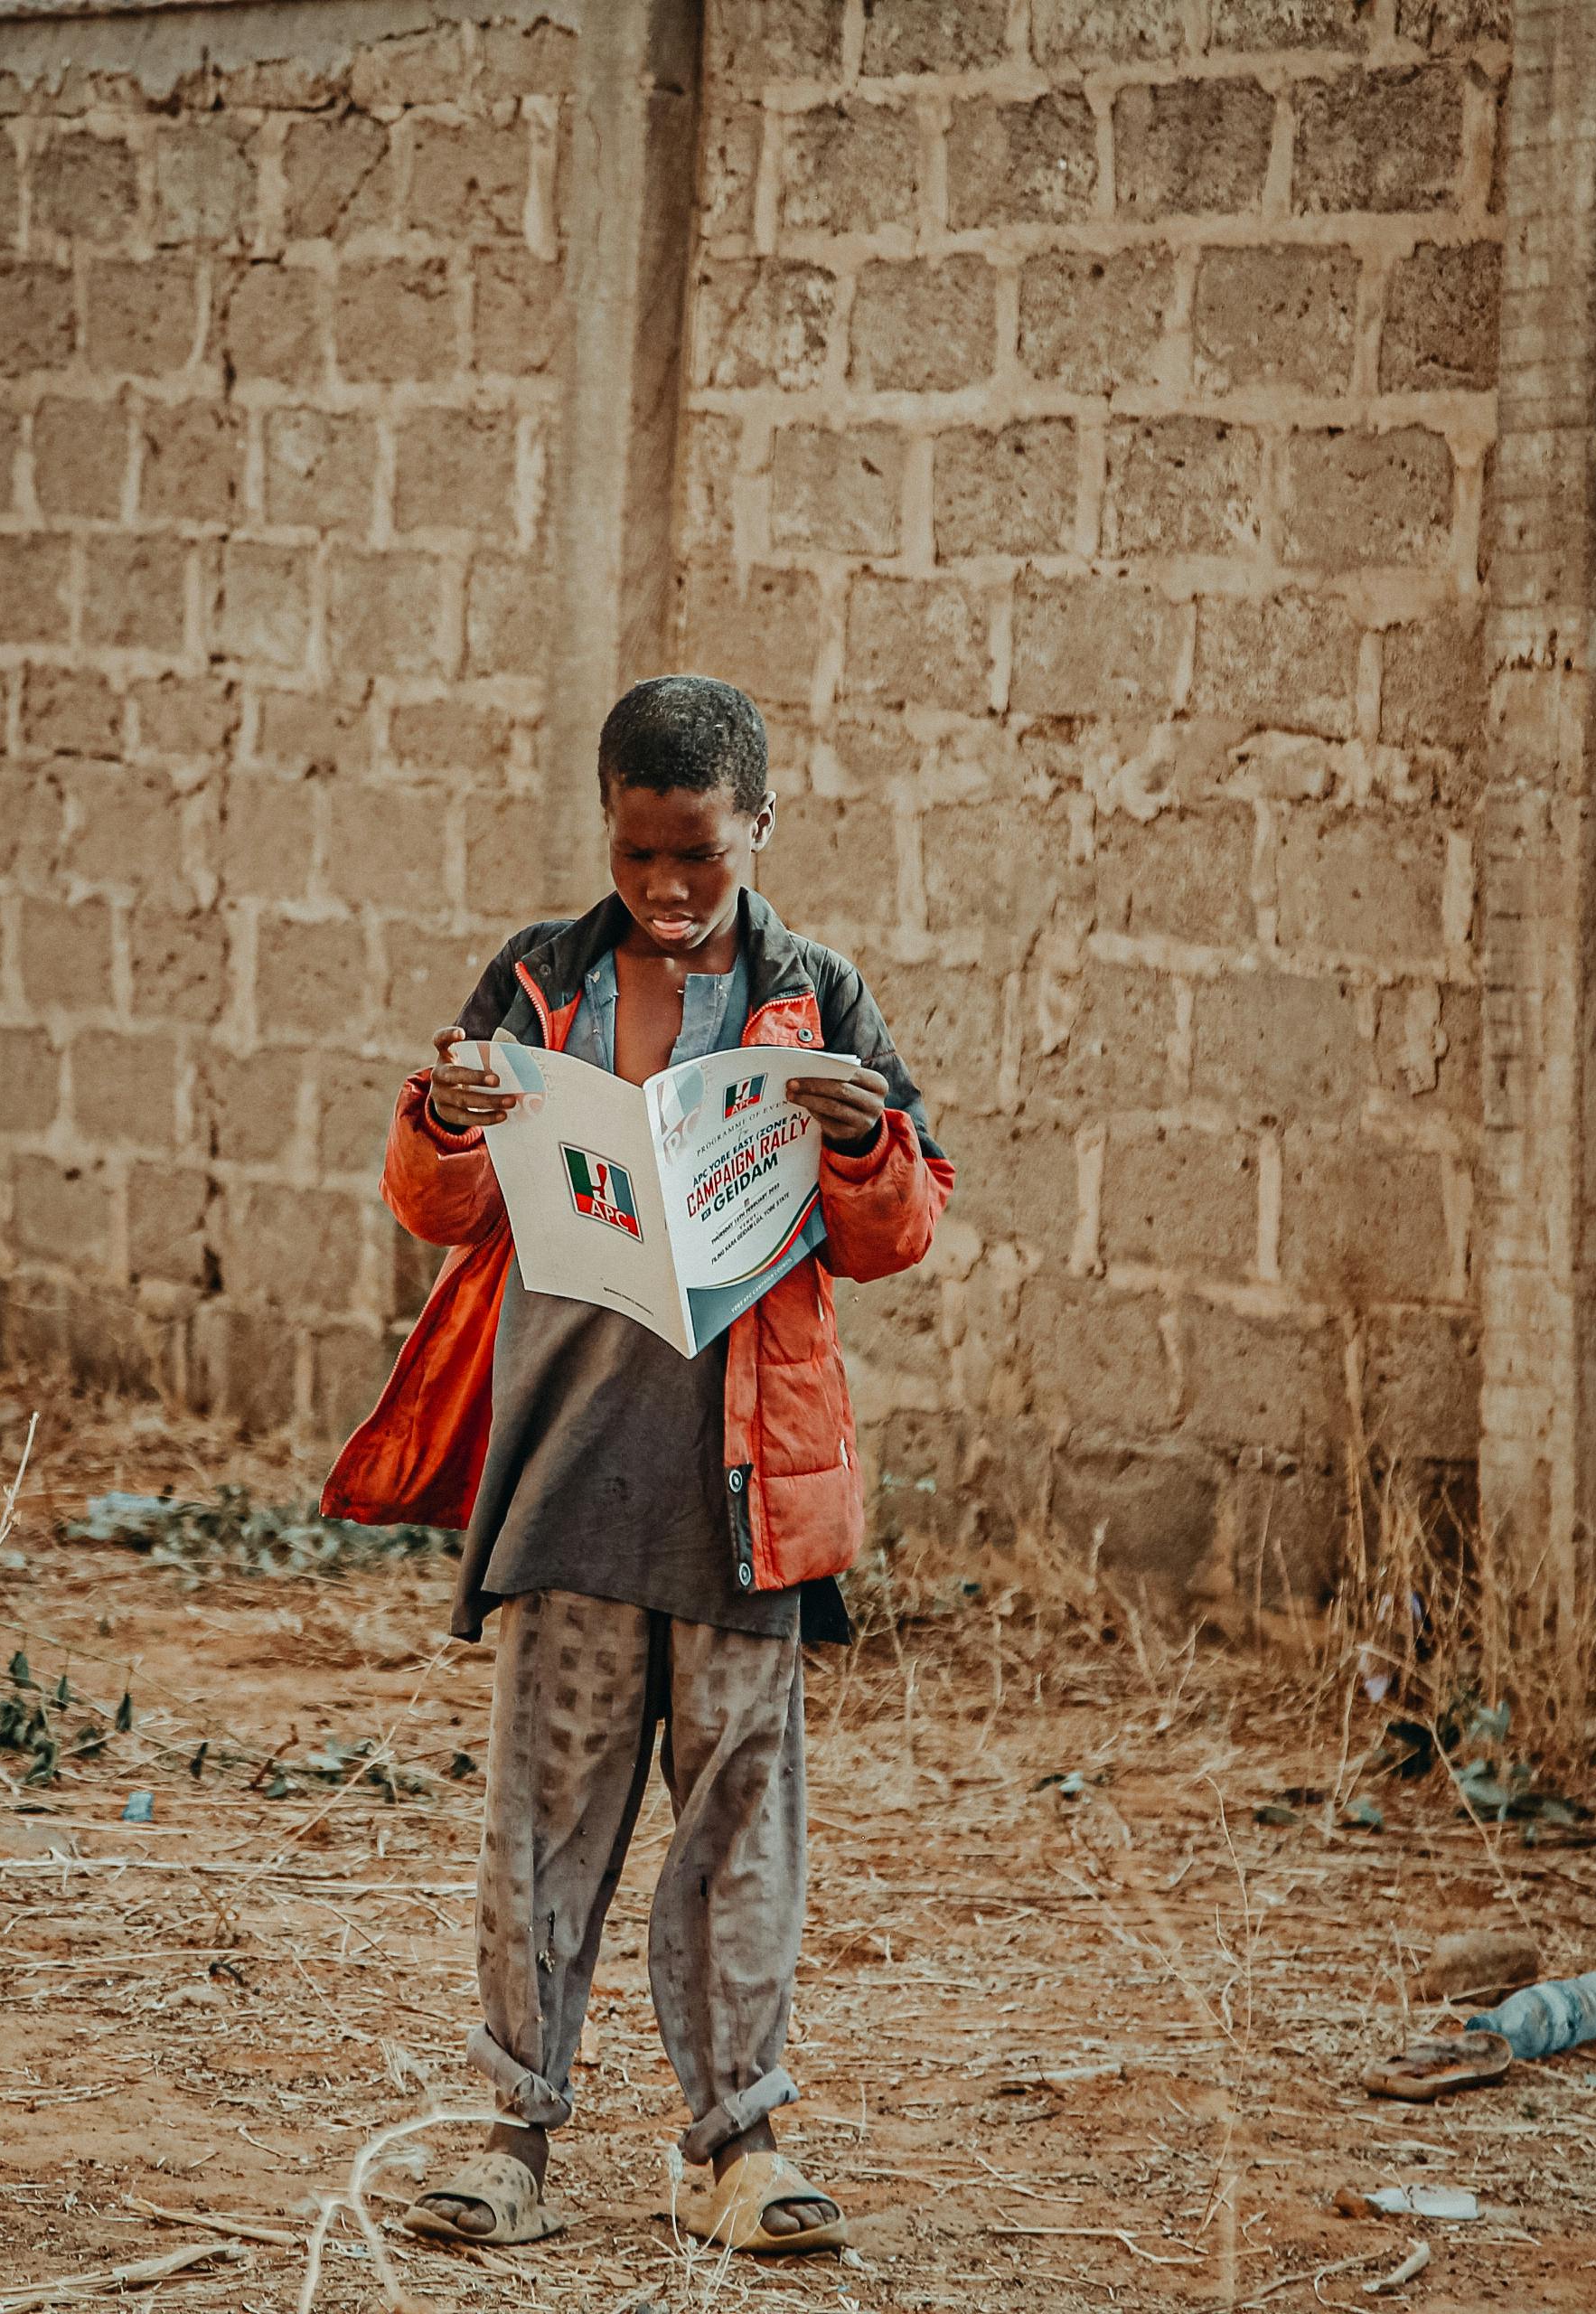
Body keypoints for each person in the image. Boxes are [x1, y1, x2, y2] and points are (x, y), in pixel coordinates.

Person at [322, 675, 953, 2254]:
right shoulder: (540, 980)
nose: (670, 895)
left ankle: (737, 2147)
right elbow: (441, 1209)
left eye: (702, 862)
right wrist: (448, 1114)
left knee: (742, 1815)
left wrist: (862, 1143)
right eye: (639, 859)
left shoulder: (820, 993)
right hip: (569, 1465)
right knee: (544, 1811)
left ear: (760, 829)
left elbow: (900, 1234)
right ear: (607, 833)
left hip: (744, 1486)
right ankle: (509, 2136)